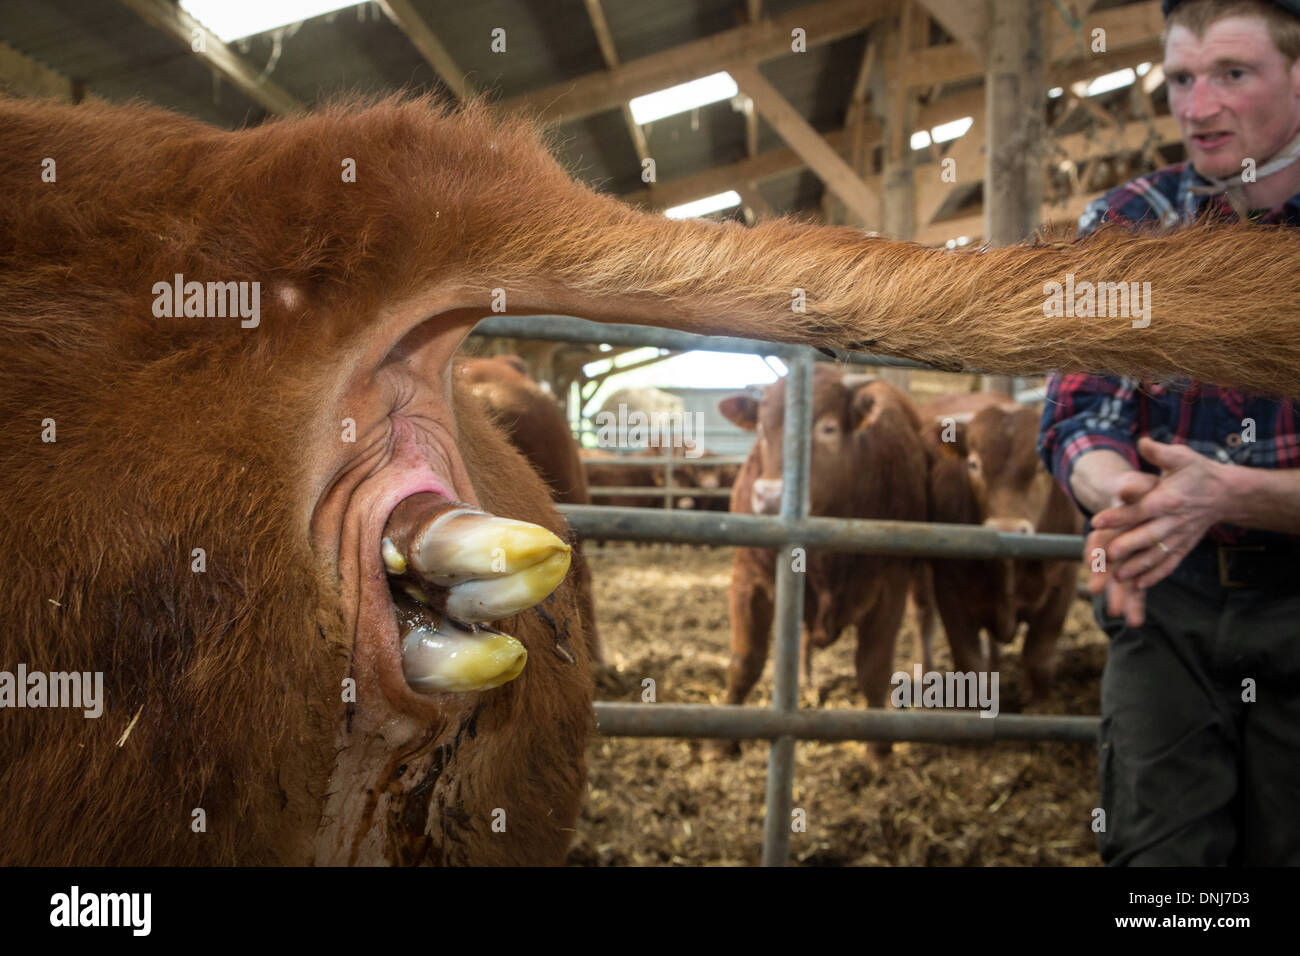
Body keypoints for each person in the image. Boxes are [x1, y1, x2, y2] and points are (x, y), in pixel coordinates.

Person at [1038, 0, 1300, 865]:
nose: (1197, 106)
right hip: (1164, 593)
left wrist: (1231, 494)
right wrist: (1123, 496)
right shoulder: (1131, 220)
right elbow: (1082, 410)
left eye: (1233, 74)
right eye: (1182, 78)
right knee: (1163, 874)